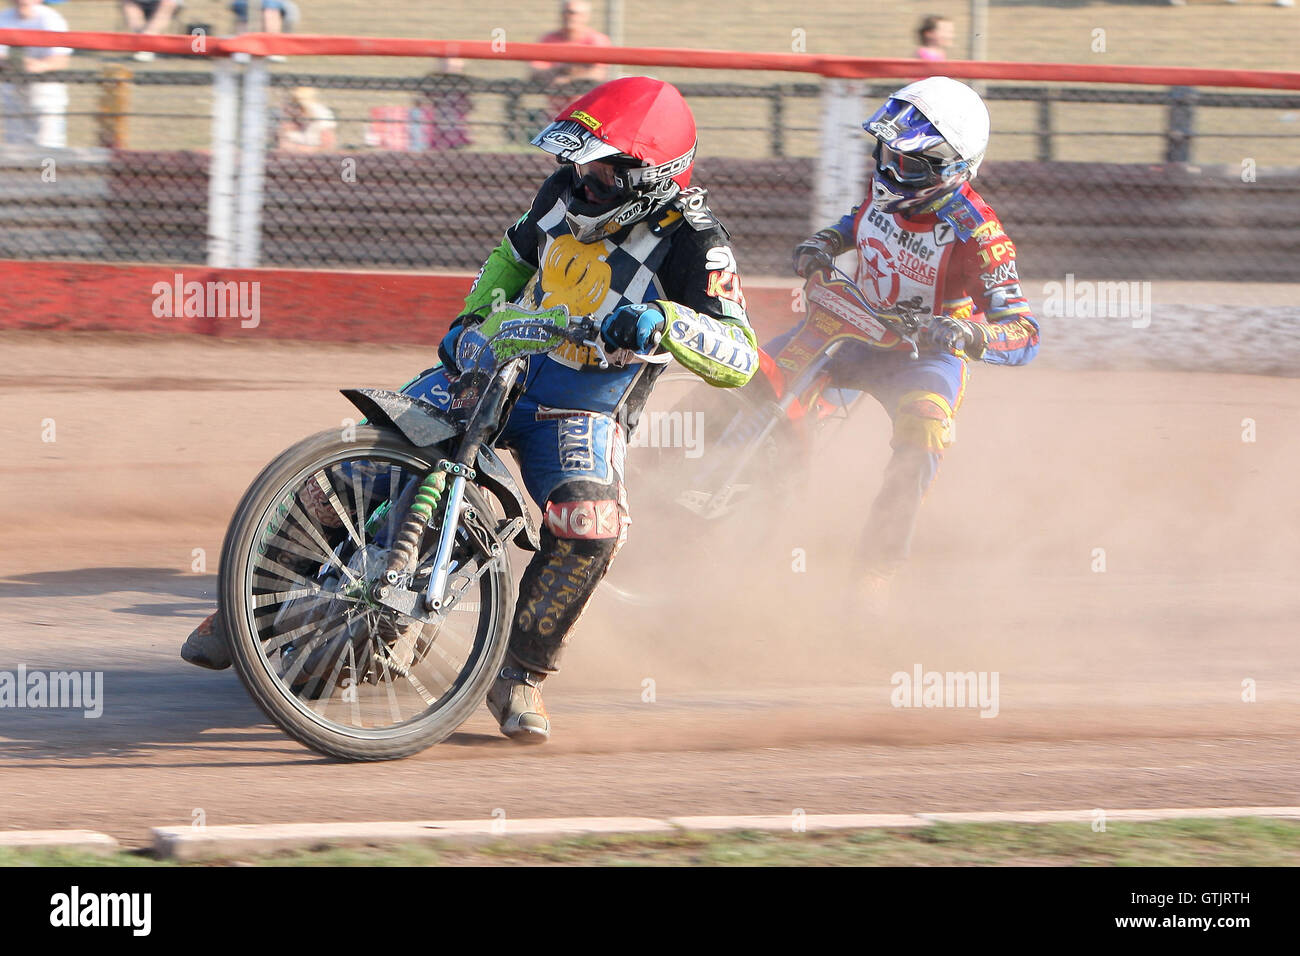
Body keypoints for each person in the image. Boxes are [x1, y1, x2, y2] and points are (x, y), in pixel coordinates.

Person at [181, 76, 759, 745]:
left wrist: (663, 322)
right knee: (359, 453)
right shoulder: (561, 195)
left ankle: (522, 674)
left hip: (581, 409)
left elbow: (739, 356)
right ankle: (247, 605)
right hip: (499, 364)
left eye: (602, 169)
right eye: (578, 161)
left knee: (591, 525)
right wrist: (471, 320)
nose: (582, 178)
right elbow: (510, 260)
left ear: (649, 177)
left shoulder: (696, 242)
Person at [789, 76, 1039, 612]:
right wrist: (823, 243)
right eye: (886, 154)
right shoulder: (888, 188)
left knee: (925, 426)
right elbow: (857, 221)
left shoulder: (980, 234)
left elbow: (1024, 331)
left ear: (952, 167)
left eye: (908, 163)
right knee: (765, 372)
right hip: (853, 324)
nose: (888, 170)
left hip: (924, 356)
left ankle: (876, 569)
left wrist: (970, 333)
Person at [0, 0, 71, 149]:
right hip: (12, 92)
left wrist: (38, 66)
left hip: (45, 93)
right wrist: (16, 62)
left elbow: (61, 59)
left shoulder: (50, 19)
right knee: (15, 146)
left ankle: (49, 173)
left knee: (49, 146)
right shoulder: (3, 18)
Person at [529, 0, 611, 115]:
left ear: (585, 16)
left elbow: (599, 74)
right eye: (565, 12)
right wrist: (561, 71)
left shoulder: (596, 40)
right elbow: (535, 71)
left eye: (573, 13)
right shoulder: (549, 39)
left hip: (588, 110)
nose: (568, 17)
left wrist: (568, 79)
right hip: (554, 110)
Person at [275, 86, 336, 152]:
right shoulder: (286, 113)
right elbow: (283, 144)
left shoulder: (320, 113)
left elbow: (327, 145)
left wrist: (300, 148)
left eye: (297, 104)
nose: (295, 109)